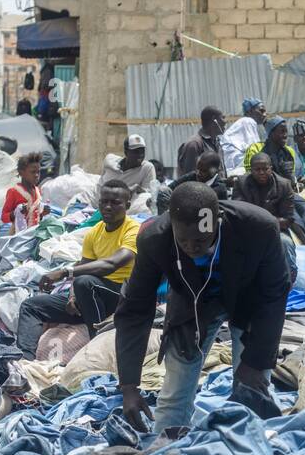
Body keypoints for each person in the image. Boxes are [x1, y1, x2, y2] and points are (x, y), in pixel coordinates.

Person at [114, 182, 291, 431]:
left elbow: (274, 295)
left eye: (201, 239)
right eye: (183, 240)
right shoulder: (155, 239)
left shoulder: (257, 227)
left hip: (250, 300)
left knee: (253, 388)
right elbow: (135, 310)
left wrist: (254, 362)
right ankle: (166, 448)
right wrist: (129, 387)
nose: (193, 247)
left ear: (217, 220)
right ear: (172, 225)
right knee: (175, 391)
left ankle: (250, 444)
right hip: (192, 303)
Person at [14, 180, 139, 358]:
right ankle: (24, 360)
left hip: (120, 298)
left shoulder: (133, 230)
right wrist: (72, 296)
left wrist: (65, 272)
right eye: (104, 202)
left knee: (85, 282)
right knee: (31, 306)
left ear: (127, 205)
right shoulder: (95, 232)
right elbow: (83, 265)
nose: (108, 207)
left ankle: (98, 345)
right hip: (90, 298)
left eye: (115, 203)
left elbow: (112, 264)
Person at [234, 152, 297, 237]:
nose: (261, 172)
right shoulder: (241, 183)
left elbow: (287, 220)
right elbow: (238, 213)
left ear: (271, 169)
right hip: (248, 229)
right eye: (257, 169)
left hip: (276, 230)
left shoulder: (284, 185)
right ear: (251, 170)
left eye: (265, 169)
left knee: (285, 243)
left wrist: (263, 222)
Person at [102, 133, 158, 213]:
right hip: (96, 201)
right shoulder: (109, 160)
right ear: (126, 152)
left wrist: (136, 188)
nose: (140, 155)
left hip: (113, 208)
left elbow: (150, 195)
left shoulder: (147, 168)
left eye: (142, 151)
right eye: (136, 151)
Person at [160, 152, 229, 214]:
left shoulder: (219, 188)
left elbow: (196, 204)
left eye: (203, 171)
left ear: (214, 171)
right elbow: (170, 187)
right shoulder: (193, 176)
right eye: (197, 169)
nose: (198, 173)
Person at [1, 153, 46, 230]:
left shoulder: (38, 191)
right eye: (33, 172)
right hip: (19, 235)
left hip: (34, 233)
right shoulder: (14, 192)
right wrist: (17, 212)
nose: (36, 175)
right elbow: (4, 217)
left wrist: (43, 213)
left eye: (38, 172)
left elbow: (36, 215)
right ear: (22, 173)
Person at [178, 106, 226, 176]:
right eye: (223, 117)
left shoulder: (217, 142)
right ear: (214, 120)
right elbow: (190, 177)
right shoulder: (194, 144)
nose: (225, 121)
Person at [222, 98, 266, 172]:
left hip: (230, 167)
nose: (264, 114)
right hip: (236, 168)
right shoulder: (248, 121)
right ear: (250, 111)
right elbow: (255, 149)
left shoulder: (243, 123)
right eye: (261, 111)